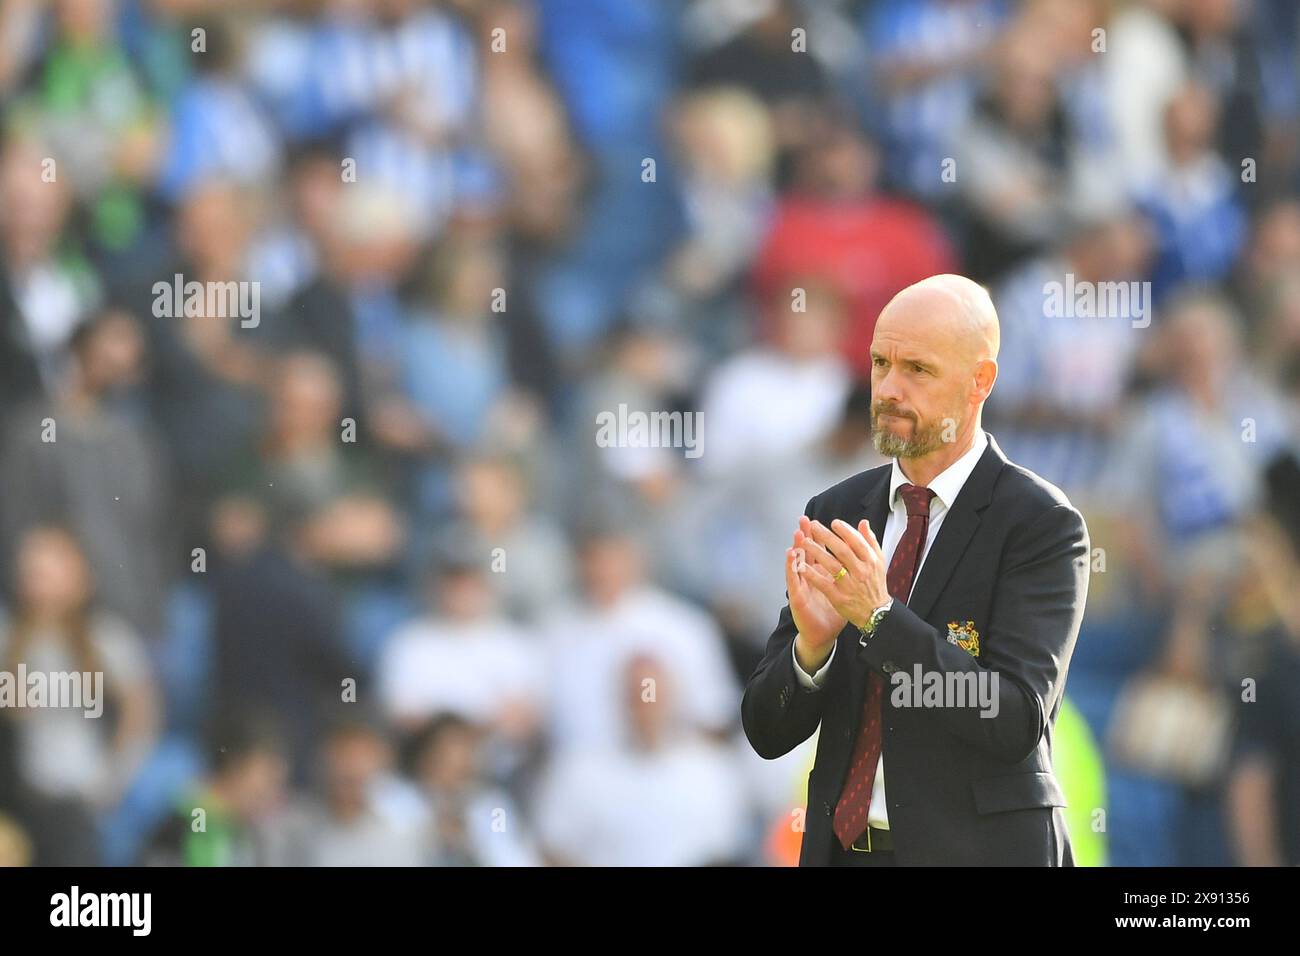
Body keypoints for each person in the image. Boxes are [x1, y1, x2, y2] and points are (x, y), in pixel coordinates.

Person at [742, 274, 1090, 866]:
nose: (888, 389)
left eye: (918, 370)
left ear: (980, 381)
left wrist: (879, 620)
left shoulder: (1040, 523)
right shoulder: (836, 510)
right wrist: (811, 650)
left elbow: (1013, 717)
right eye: (881, 363)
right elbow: (766, 732)